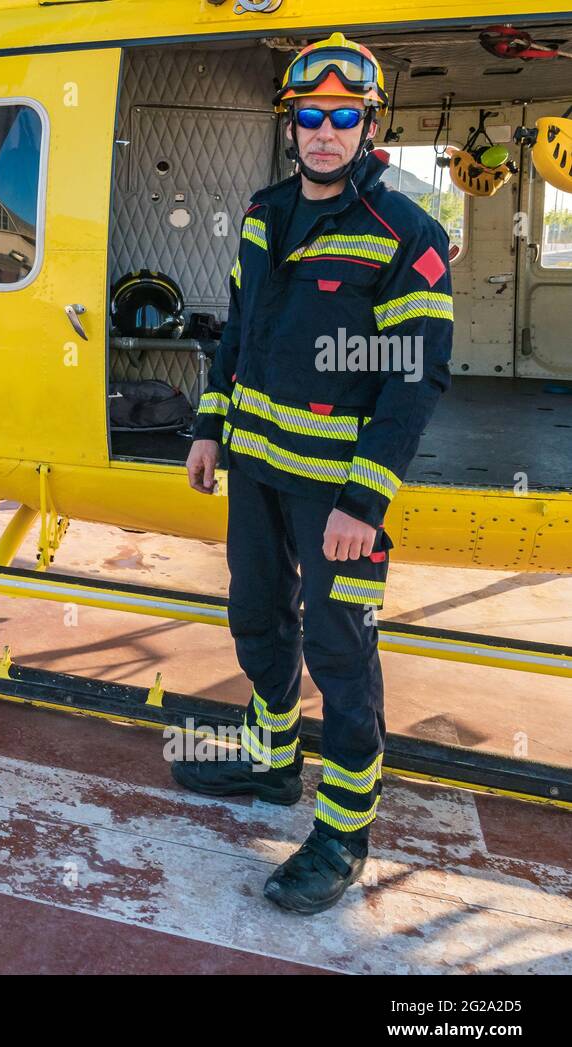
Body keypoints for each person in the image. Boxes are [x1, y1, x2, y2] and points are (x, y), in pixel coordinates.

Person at [179, 32, 454, 914]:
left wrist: (365, 499)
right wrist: (209, 427)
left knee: (340, 653)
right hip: (255, 469)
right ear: (290, 124)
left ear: (370, 127)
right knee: (257, 619)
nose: (325, 132)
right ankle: (271, 768)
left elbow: (416, 377)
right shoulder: (265, 213)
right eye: (310, 116)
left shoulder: (408, 234)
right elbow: (237, 331)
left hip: (338, 497)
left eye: (343, 117)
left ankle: (343, 835)